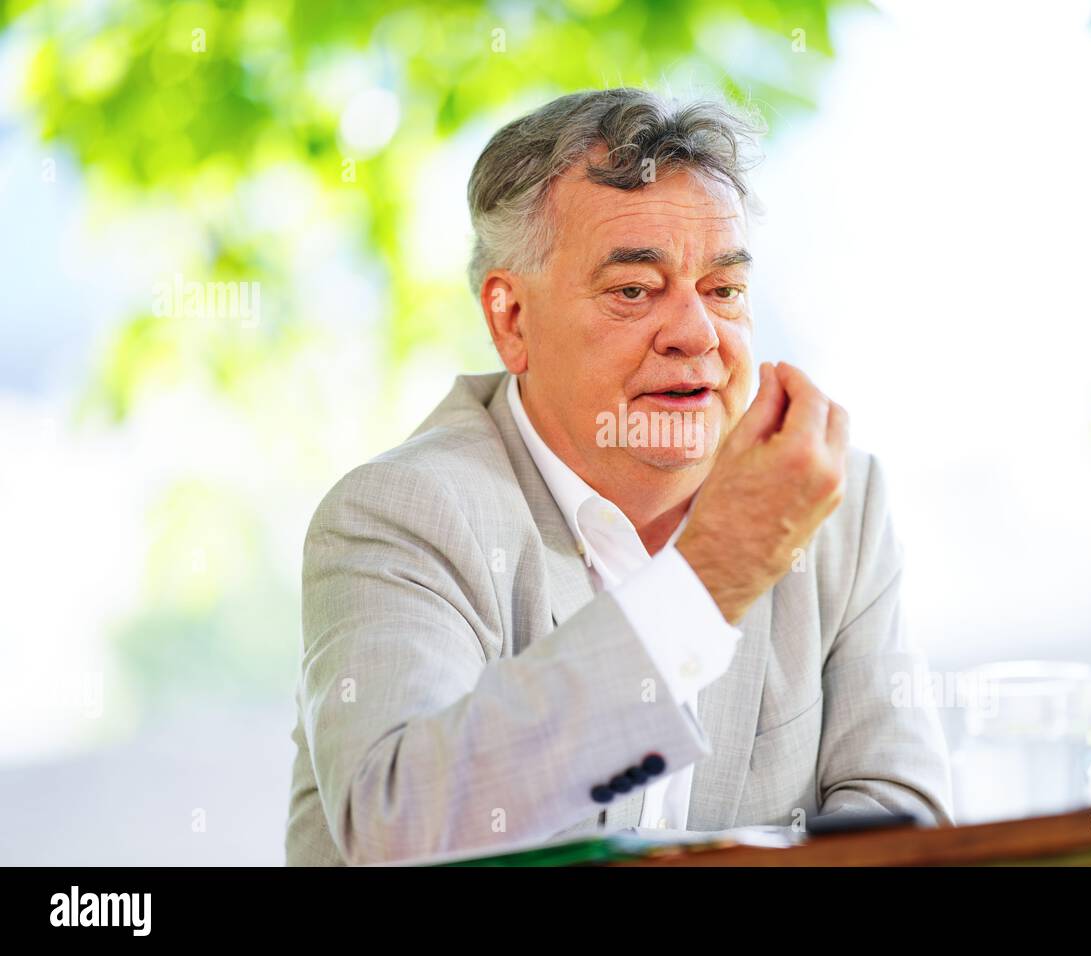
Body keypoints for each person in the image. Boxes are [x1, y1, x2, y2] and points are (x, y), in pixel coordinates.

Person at [285, 87, 952, 866]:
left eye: (724, 290)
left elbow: (904, 825)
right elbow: (399, 822)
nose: (696, 333)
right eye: (633, 291)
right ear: (512, 319)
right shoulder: (401, 514)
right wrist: (710, 578)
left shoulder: (835, 502)